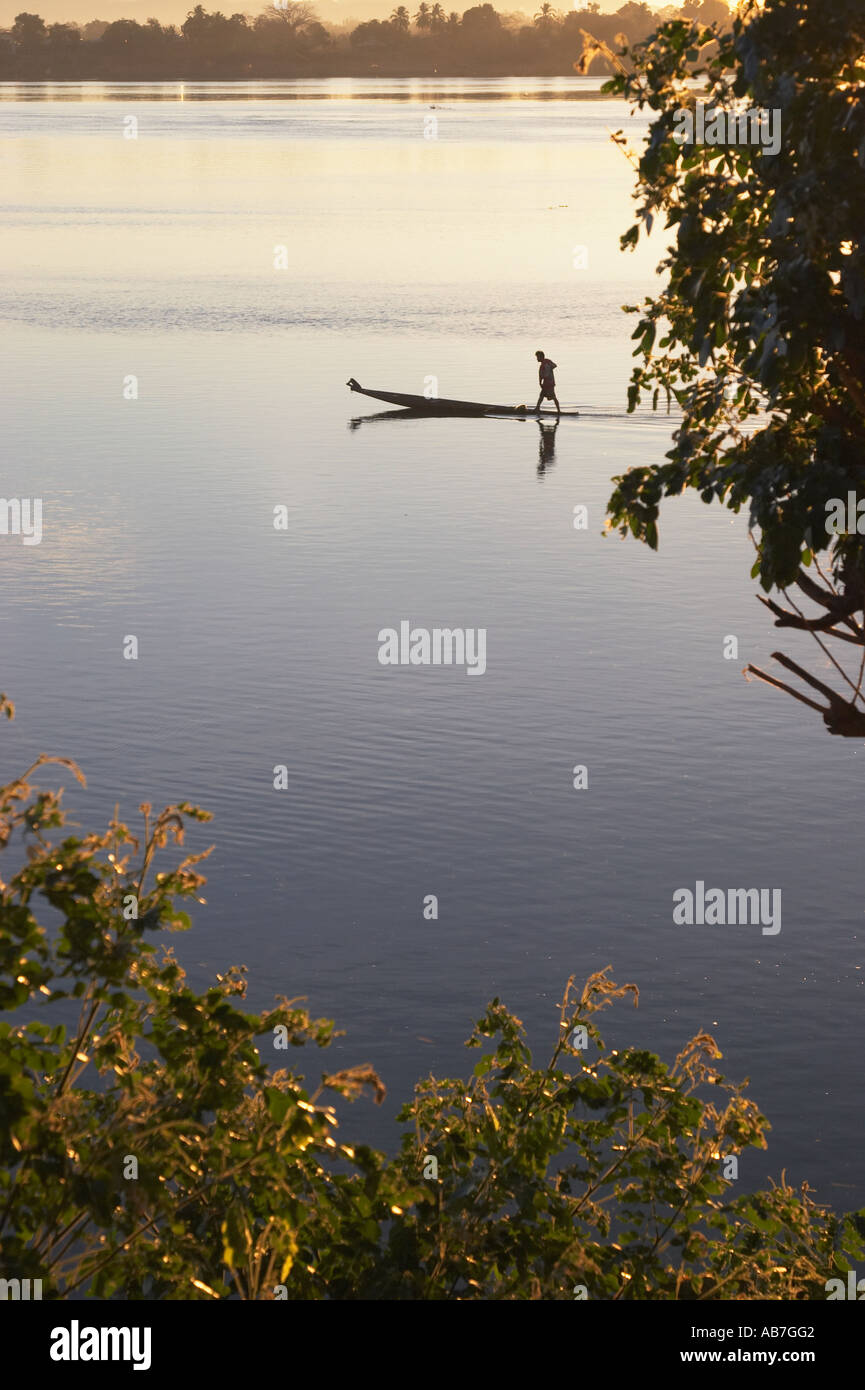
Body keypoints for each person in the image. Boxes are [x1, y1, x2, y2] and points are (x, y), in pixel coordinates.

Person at [534, 350, 560, 416]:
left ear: (541, 357)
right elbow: (541, 375)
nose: (537, 359)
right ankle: (537, 408)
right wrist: (540, 382)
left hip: (549, 383)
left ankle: (559, 411)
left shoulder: (546, 363)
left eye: (537, 357)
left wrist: (546, 372)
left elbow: (553, 366)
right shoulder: (544, 363)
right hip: (546, 383)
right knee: (541, 395)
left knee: (553, 397)